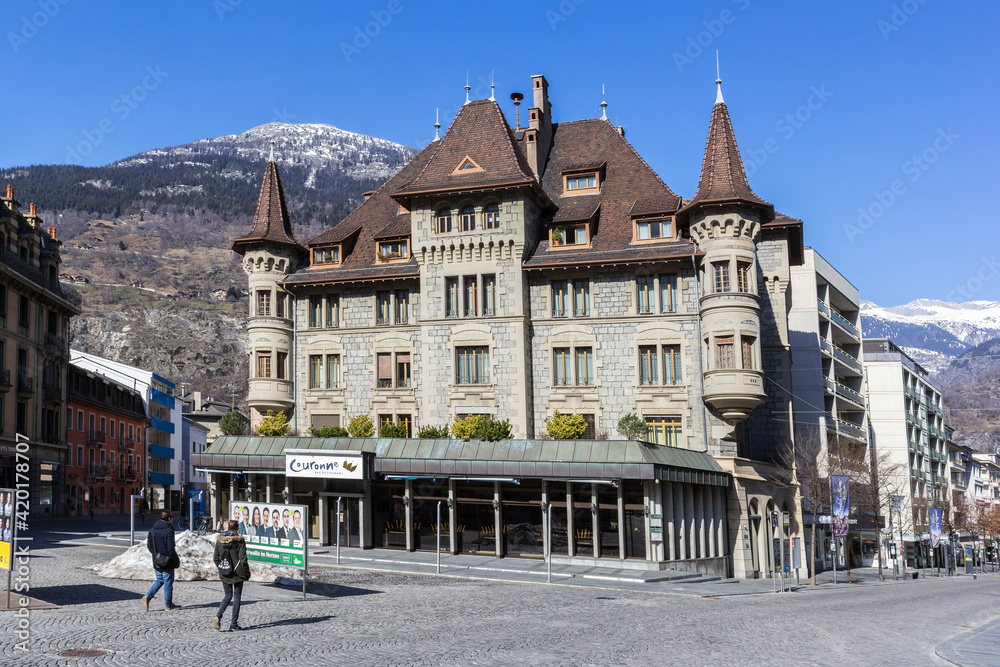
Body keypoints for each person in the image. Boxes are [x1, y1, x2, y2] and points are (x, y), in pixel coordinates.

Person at [213, 520, 251, 632]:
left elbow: (216, 558)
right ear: (237, 529)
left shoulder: (220, 540)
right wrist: (246, 573)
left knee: (227, 595)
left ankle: (218, 615)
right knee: (237, 596)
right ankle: (233, 624)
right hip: (238, 573)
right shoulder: (240, 541)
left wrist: (222, 568)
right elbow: (243, 559)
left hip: (224, 571)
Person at [142, 511, 181, 611]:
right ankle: (169, 605)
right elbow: (170, 548)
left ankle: (148, 596)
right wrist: (175, 560)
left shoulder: (153, 530)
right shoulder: (169, 530)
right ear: (168, 519)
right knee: (168, 582)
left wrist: (156, 555)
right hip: (167, 561)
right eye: (172, 517)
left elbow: (149, 546)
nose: (172, 519)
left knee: (160, 580)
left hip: (156, 560)